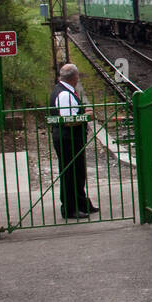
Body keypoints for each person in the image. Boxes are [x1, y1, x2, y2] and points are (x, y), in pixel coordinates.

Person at [49, 63, 99, 219]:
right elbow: (68, 120)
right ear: (75, 77)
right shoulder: (64, 94)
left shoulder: (65, 91)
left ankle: (82, 203)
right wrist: (88, 115)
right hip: (68, 138)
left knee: (77, 172)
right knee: (70, 173)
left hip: (69, 138)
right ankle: (70, 208)